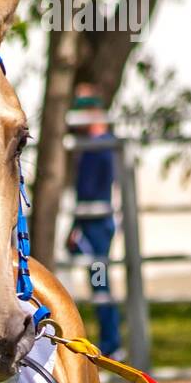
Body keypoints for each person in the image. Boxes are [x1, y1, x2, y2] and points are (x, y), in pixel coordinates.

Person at [66, 84, 122, 359]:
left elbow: (89, 190)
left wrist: (78, 225)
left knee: (100, 283)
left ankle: (112, 342)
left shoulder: (100, 146)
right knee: (97, 282)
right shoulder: (93, 146)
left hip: (97, 225)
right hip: (90, 224)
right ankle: (109, 339)